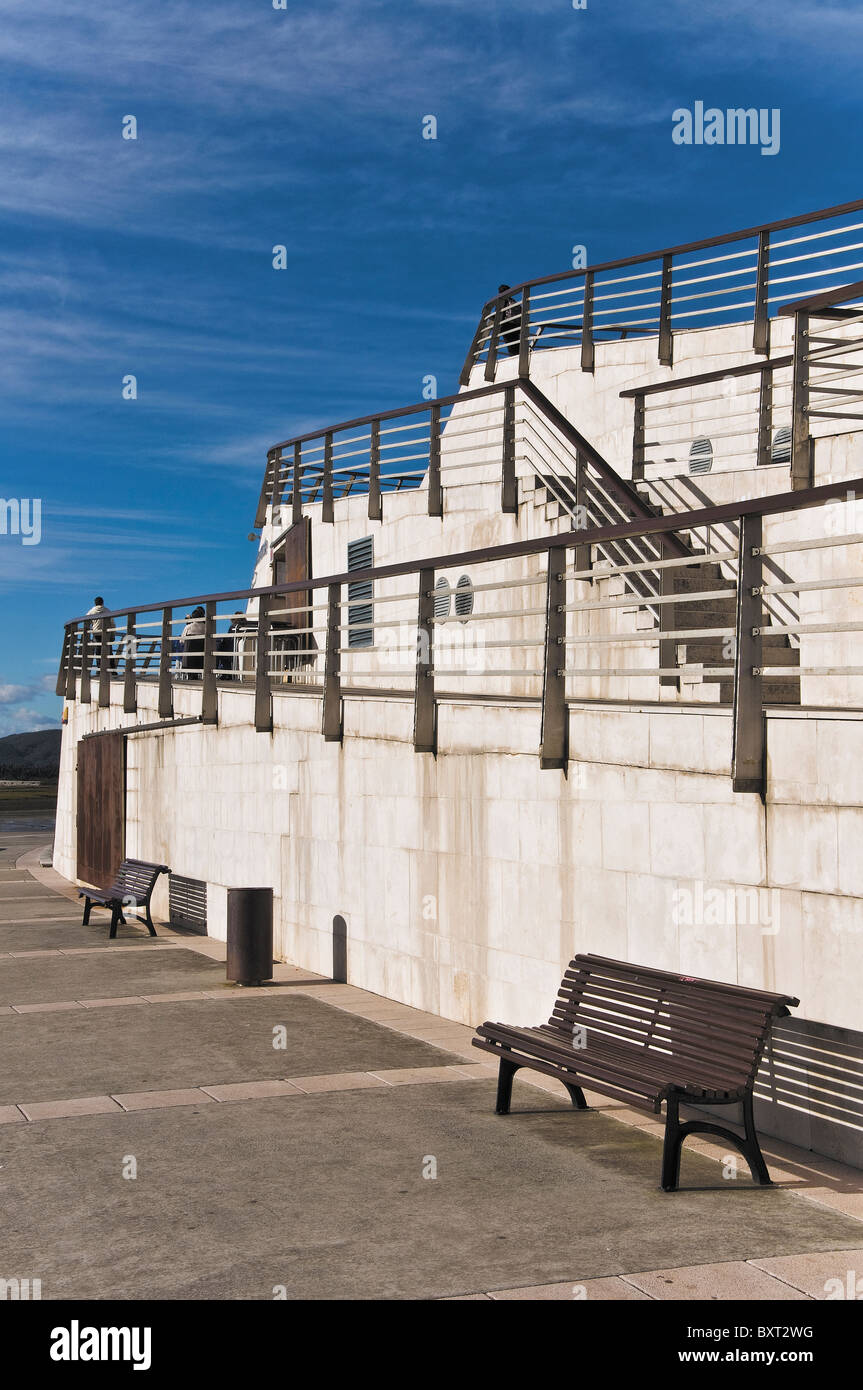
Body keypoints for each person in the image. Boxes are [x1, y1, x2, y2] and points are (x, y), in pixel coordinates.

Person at [86, 596, 116, 672]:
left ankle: (100, 669)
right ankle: (113, 670)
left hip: (96, 634)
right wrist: (113, 635)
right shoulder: (107, 611)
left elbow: (86, 620)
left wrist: (91, 627)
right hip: (106, 634)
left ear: (95, 603)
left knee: (98, 652)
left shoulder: (91, 611)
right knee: (109, 651)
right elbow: (112, 623)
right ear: (102, 603)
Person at [497, 283, 522, 357]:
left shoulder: (502, 301)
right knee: (516, 345)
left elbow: (500, 314)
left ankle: (515, 358)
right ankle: (518, 356)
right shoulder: (513, 302)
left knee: (511, 347)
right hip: (516, 326)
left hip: (507, 325)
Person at [181, 606, 206, 679]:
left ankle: (191, 675)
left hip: (190, 655)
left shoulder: (189, 627)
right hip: (201, 655)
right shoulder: (206, 626)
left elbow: (181, 640)